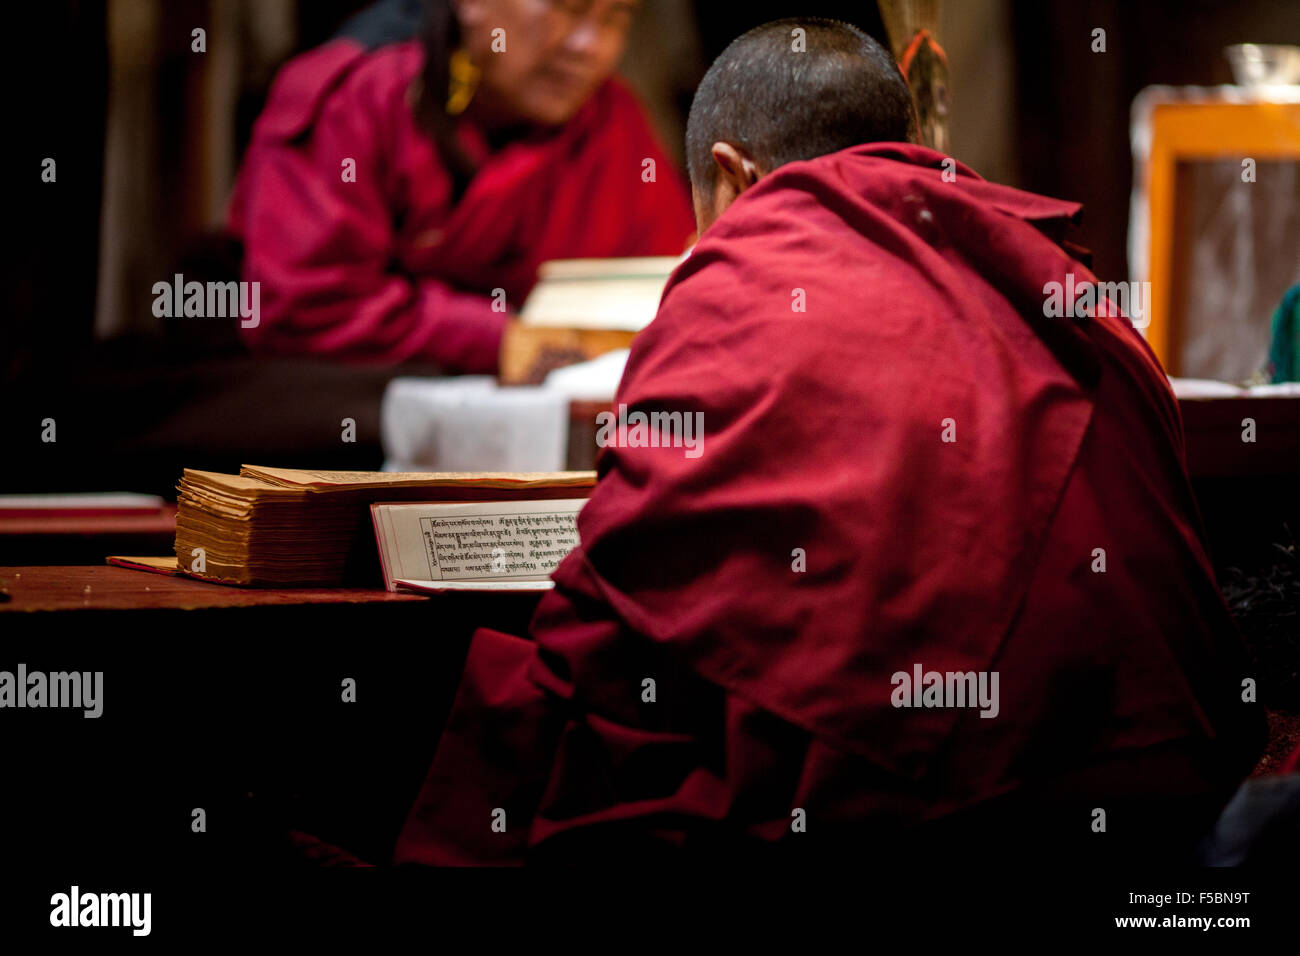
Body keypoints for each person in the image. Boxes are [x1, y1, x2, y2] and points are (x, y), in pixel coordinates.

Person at [392, 17, 1266, 864]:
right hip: (1163, 773)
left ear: (732, 180)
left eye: (702, 221)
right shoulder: (1064, 279)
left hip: (929, 808)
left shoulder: (747, 271)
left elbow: (608, 638)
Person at [228, 0, 694, 373]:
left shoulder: (611, 122)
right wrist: (498, 339)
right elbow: (306, 305)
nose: (590, 45)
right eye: (567, 9)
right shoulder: (361, 98)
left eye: (616, 17)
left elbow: (671, 287)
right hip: (348, 422)